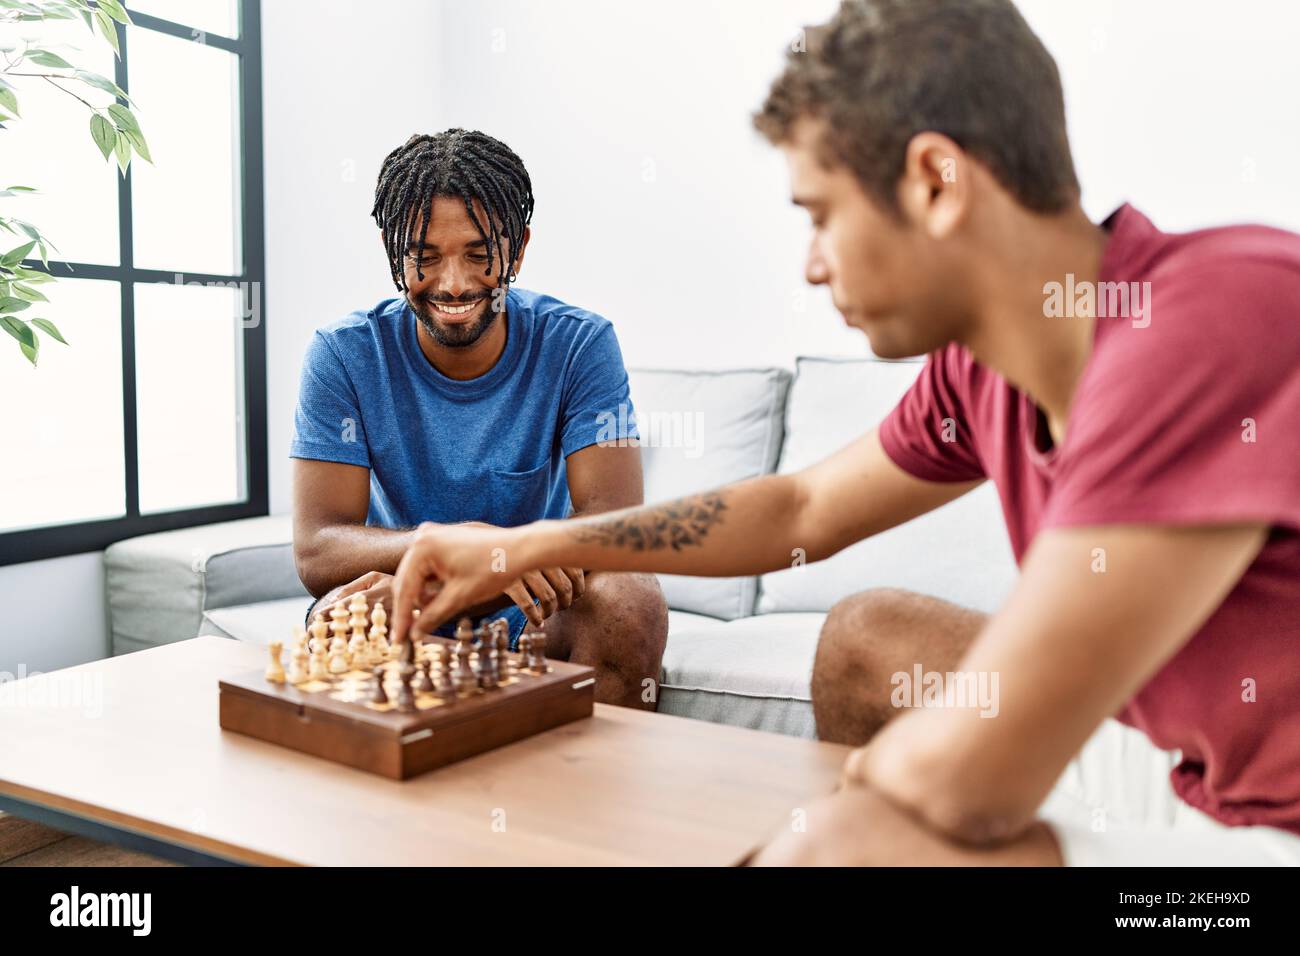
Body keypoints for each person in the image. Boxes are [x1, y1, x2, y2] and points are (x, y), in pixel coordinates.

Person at [384, 1, 1300, 865]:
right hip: (1182, 769)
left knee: (847, 843)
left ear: (937, 181)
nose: (813, 265)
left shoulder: (1201, 325)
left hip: (1253, 860)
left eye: (821, 216)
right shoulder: (983, 371)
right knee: (869, 635)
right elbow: (801, 506)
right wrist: (520, 548)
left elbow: (969, 782)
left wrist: (863, 805)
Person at [291, 129, 668, 710]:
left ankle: (581, 797)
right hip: (406, 592)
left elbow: (615, 526)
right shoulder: (343, 353)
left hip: (531, 606)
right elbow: (317, 550)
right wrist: (447, 543)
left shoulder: (580, 344)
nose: (454, 283)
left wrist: (499, 559)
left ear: (516, 251)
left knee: (630, 599)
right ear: (397, 256)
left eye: (478, 253)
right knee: (343, 614)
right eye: (425, 257)